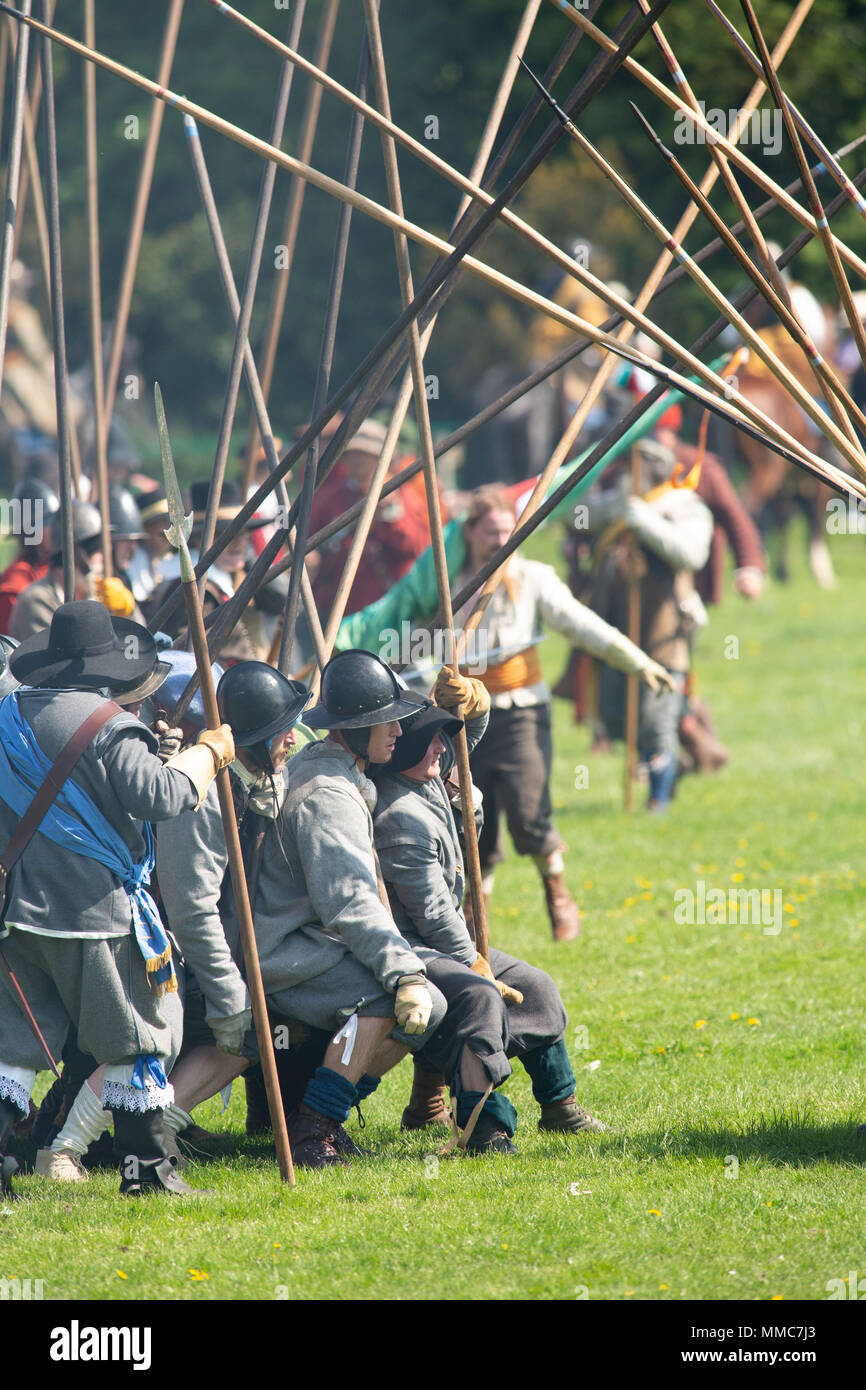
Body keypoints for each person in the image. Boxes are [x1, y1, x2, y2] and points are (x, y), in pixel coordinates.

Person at [337, 485, 675, 940]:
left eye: (505, 532)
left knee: (529, 810)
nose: (499, 541)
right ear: (470, 534)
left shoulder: (533, 577)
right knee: (475, 814)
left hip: (520, 711)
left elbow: (581, 624)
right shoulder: (448, 584)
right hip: (461, 715)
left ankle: (556, 890)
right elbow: (412, 639)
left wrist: (638, 662)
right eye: (490, 532)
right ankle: (476, 915)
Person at [0, 600, 235, 1198]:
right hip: (94, 916)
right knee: (138, 1036)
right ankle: (147, 1174)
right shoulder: (108, 724)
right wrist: (209, 753)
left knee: (15, 1048)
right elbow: (163, 796)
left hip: (18, 912)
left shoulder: (8, 714)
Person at [373, 670, 603, 1153]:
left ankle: (559, 1105)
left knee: (534, 983)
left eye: (442, 740)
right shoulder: (399, 817)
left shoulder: (428, 774)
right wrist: (473, 960)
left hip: (445, 939)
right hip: (413, 947)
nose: (443, 749)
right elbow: (433, 911)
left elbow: (460, 741)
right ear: (408, 749)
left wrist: (476, 706)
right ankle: (487, 1127)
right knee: (479, 997)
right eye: (432, 741)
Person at [241, 649, 447, 1169]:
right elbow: (351, 901)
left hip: (311, 944)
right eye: (383, 721)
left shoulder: (334, 769)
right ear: (350, 731)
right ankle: (313, 1130)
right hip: (283, 953)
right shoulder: (328, 794)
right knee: (386, 1001)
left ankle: (321, 1115)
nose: (398, 730)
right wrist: (404, 974)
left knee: (433, 1005)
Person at [587, 438, 714, 811]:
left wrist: (643, 519)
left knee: (655, 717)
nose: (626, 476)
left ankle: (658, 798)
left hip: (666, 630)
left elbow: (691, 553)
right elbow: (574, 514)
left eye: (633, 468)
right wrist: (622, 510)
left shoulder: (685, 507)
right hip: (618, 627)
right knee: (612, 713)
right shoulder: (620, 506)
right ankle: (676, 757)